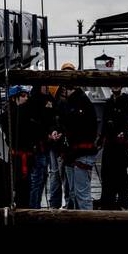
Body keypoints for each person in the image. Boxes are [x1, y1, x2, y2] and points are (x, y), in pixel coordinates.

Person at [53, 64, 98, 210]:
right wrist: (58, 130)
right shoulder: (68, 102)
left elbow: (79, 127)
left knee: (81, 195)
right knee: (73, 194)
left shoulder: (80, 101)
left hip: (80, 154)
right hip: (72, 154)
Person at [23, 83, 61, 208]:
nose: (47, 88)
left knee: (45, 177)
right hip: (37, 146)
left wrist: (53, 131)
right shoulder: (33, 100)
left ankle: (42, 205)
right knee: (36, 179)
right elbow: (33, 125)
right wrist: (46, 135)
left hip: (48, 145)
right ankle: (34, 207)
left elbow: (53, 119)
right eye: (44, 85)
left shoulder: (50, 100)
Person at [99, 83, 128, 210]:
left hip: (121, 144)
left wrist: (124, 133)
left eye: (118, 84)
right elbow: (104, 123)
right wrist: (100, 140)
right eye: (113, 84)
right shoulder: (108, 103)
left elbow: (127, 121)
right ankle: (107, 201)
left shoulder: (126, 101)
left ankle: (123, 202)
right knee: (106, 172)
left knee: (120, 172)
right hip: (109, 143)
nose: (115, 86)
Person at [3, 85, 32, 209]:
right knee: (21, 188)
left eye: (27, 96)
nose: (26, 98)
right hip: (19, 158)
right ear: (13, 98)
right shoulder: (10, 116)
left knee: (24, 188)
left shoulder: (21, 114)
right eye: (23, 96)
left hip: (23, 156)